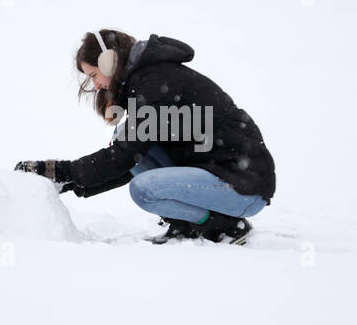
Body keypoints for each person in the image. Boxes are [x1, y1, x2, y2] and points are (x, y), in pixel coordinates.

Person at [14, 30, 276, 245]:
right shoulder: (147, 80)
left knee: (145, 191)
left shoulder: (156, 83)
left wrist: (62, 171)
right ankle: (193, 222)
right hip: (219, 175)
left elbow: (125, 155)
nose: (95, 85)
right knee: (123, 135)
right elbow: (132, 155)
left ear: (108, 61)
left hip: (242, 187)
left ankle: (224, 227)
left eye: (93, 75)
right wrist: (75, 183)